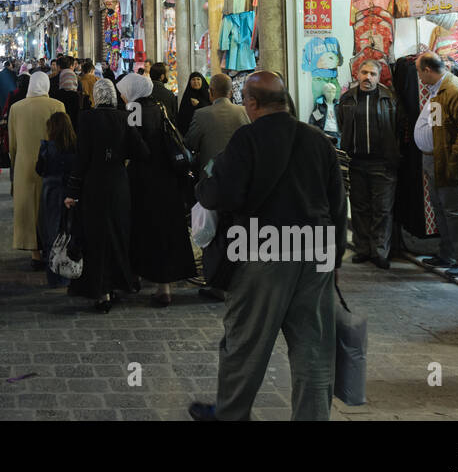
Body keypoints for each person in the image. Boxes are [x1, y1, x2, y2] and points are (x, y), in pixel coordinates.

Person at [192, 71, 346, 421]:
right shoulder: (318, 140)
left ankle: (231, 414)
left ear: (252, 102)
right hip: (316, 251)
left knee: (245, 343)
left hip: (264, 248)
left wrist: (203, 185)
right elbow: (338, 204)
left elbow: (221, 193)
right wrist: (335, 259)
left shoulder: (247, 140)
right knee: (313, 348)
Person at [64, 79, 148, 312]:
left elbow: (81, 158)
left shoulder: (87, 118)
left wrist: (72, 191)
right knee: (118, 236)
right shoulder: (124, 117)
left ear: (96, 96)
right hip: (119, 185)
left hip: (94, 186)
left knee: (96, 238)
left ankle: (100, 291)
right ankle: (116, 285)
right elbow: (141, 151)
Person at [119, 70, 196, 306]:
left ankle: (136, 276)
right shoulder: (160, 106)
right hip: (166, 178)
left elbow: (132, 143)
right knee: (165, 230)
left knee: (142, 227)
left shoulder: (134, 109)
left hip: (144, 178)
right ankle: (165, 287)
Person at [336, 59, 400, 269]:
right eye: (364, 73)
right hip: (356, 163)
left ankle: (380, 251)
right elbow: (342, 126)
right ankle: (363, 248)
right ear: (357, 74)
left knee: (382, 210)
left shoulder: (389, 99)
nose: (367, 77)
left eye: (372, 74)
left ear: (379, 76)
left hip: (383, 163)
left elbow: (398, 129)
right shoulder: (347, 99)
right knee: (360, 208)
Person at [417, 51, 458, 276]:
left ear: (428, 70)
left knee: (454, 212)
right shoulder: (438, 89)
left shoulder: (454, 90)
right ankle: (447, 253)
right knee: (440, 209)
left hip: (448, 162)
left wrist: (454, 160)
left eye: (419, 71)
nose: (419, 77)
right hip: (435, 159)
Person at [9, 71, 65, 269]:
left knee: (29, 209)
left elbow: (13, 144)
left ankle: (35, 254)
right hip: (51, 165)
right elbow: (63, 139)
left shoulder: (16, 108)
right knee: (49, 207)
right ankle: (51, 249)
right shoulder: (57, 106)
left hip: (25, 165)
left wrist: (14, 166)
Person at [36, 111, 78, 288]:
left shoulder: (47, 147)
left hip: (51, 192)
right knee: (69, 232)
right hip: (69, 192)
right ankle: (71, 273)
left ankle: (54, 275)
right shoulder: (75, 147)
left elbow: (40, 169)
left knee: (51, 232)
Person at [184, 73, 249, 171]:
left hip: (211, 173)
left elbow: (191, 143)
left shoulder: (201, 114)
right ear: (230, 93)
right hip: (240, 172)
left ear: (211, 92)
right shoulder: (245, 112)